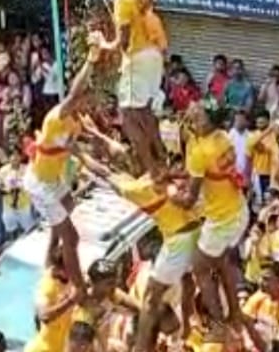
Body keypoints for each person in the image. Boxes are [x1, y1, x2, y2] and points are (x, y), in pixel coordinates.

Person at [76, 150, 199, 352]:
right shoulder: (159, 184)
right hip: (191, 236)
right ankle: (179, 328)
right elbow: (105, 170)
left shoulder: (152, 184)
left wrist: (80, 151)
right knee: (183, 283)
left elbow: (106, 169)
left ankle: (157, 340)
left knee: (156, 297)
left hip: (181, 239)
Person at [23, 48, 99, 295]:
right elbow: (75, 91)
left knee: (69, 203)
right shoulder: (56, 117)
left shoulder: (78, 121)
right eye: (86, 99)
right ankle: (79, 288)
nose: (89, 104)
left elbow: (90, 142)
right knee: (72, 238)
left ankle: (50, 255)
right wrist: (90, 60)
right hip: (39, 183)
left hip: (53, 178)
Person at [177, 100, 248, 331]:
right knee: (221, 262)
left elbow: (189, 200)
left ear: (207, 120)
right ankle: (234, 313)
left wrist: (170, 195)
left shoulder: (200, 152)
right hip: (238, 209)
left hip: (222, 219)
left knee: (199, 267)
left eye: (199, 112)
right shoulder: (222, 137)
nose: (194, 110)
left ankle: (219, 324)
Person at [90, 0, 164, 175]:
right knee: (145, 112)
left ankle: (151, 170)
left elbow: (122, 43)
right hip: (154, 56)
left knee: (129, 118)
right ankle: (161, 158)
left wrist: (103, 44)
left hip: (137, 58)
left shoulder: (123, 0)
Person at [240, 261, 279, 352]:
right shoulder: (260, 295)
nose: (260, 282)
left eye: (266, 279)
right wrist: (248, 343)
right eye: (260, 277)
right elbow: (243, 320)